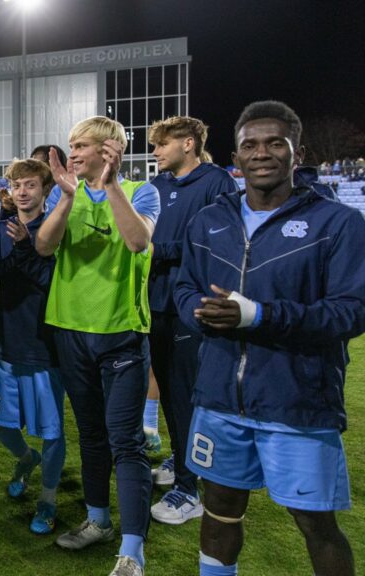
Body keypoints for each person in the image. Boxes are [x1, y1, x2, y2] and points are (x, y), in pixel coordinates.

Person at [176, 100, 364, 576]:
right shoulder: (209, 221)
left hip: (297, 402)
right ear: (235, 158)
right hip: (219, 398)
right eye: (250, 145)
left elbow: (351, 311)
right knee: (218, 513)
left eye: (275, 143)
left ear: (296, 153)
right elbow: (183, 287)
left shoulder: (336, 224)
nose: (262, 153)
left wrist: (258, 315)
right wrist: (197, 311)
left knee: (315, 525)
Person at [35, 116, 160, 576]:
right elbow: (45, 247)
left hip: (121, 332)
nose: (73, 153)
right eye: (70, 144)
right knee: (89, 433)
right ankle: (99, 521)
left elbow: (137, 240)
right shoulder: (62, 191)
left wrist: (109, 187)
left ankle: (132, 552)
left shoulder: (142, 191)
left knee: (124, 440)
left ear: (110, 150)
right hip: (70, 329)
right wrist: (67, 197)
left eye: (82, 145)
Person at [144, 116, 239, 526]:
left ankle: (189, 490)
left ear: (187, 143)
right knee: (168, 390)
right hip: (155, 303)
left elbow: (221, 240)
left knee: (189, 395)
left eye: (161, 144)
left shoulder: (217, 182)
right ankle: (183, 460)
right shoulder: (158, 187)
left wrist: (155, 249)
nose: (155, 152)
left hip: (193, 306)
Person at [0, 158, 64, 535]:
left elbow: (49, 280)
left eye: (30, 185)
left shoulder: (57, 229)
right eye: (17, 186)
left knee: (53, 431)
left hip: (45, 347)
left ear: (45, 190)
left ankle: (48, 499)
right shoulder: (2, 229)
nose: (23, 192)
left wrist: (27, 249)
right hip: (6, 342)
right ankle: (26, 458)